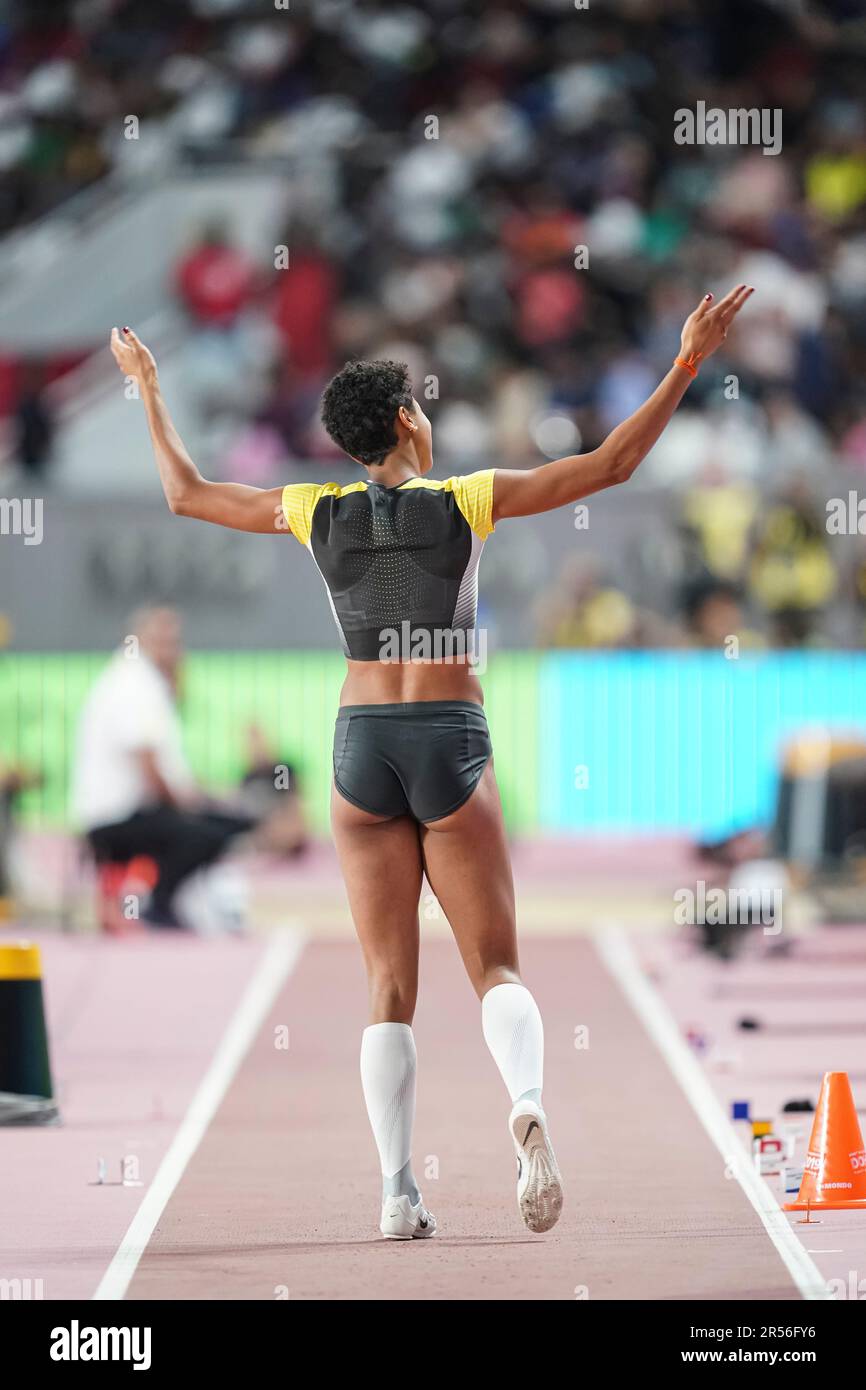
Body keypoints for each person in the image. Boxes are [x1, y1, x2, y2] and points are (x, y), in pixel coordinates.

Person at [109, 283, 753, 1239]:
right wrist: (688, 358)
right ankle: (526, 1108)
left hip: (359, 748)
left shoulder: (313, 509)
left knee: (387, 986)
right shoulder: (467, 499)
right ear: (410, 418)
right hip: (448, 734)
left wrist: (149, 388)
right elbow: (612, 465)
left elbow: (185, 494)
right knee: (493, 961)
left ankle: (397, 1194)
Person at [72, 606, 255, 930]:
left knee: (224, 821)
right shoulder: (135, 683)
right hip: (115, 820)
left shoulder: (137, 679)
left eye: (175, 641)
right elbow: (150, 769)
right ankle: (160, 901)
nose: (173, 650)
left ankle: (174, 899)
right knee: (207, 833)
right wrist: (188, 805)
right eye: (164, 641)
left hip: (126, 812)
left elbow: (165, 767)